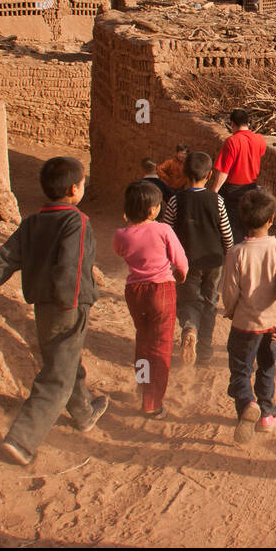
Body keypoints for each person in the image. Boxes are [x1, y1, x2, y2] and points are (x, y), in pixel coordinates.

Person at [0, 156, 108, 465]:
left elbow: (5, 257)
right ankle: (22, 440)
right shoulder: (77, 222)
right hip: (67, 306)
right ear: (74, 189)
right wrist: (72, 302)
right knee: (57, 375)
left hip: (44, 306)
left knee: (66, 359)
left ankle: (83, 412)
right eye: (83, 184)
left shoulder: (31, 223)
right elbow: (73, 263)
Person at [221, 188, 276, 443]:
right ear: (272, 218)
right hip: (272, 324)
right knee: (267, 368)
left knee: (240, 370)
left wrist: (230, 311)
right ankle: (266, 414)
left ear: (242, 218)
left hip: (244, 324)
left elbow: (229, 290)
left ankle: (246, 403)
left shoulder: (236, 252)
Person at [113, 179, 189, 419]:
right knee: (161, 346)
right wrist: (181, 276)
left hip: (134, 292)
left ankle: (143, 385)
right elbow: (180, 261)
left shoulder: (121, 234)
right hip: (161, 290)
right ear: (153, 210)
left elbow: (119, 251)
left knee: (143, 341)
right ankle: (152, 402)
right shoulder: (163, 230)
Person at [159, 150, 235, 366]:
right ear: (210, 174)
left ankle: (190, 327)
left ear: (184, 171)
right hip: (213, 260)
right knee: (210, 302)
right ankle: (205, 349)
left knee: (188, 299)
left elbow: (166, 231)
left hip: (186, 261)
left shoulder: (175, 200)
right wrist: (229, 255)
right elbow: (227, 234)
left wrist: (169, 259)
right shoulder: (217, 200)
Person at [209, 109, 269, 241]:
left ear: (232, 124)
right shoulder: (259, 140)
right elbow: (260, 155)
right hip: (251, 189)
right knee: (248, 224)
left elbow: (224, 171)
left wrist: (214, 191)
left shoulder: (232, 141)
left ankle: (235, 255)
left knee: (232, 226)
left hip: (232, 191)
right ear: (248, 122)